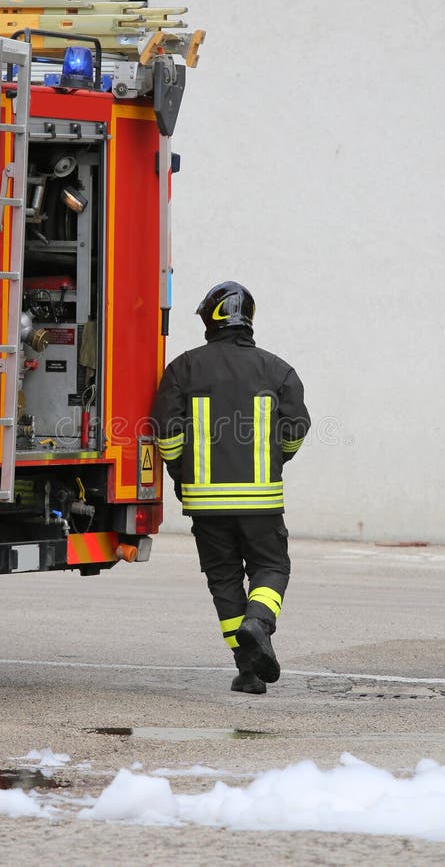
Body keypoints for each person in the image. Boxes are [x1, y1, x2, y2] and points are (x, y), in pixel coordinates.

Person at [151, 281, 310, 694]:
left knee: (223, 579)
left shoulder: (183, 368)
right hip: (261, 501)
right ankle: (259, 621)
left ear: (210, 318)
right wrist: (276, 460)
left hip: (205, 504)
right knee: (271, 568)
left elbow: (166, 434)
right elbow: (295, 430)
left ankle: (249, 670)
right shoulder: (279, 370)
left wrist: (181, 477)